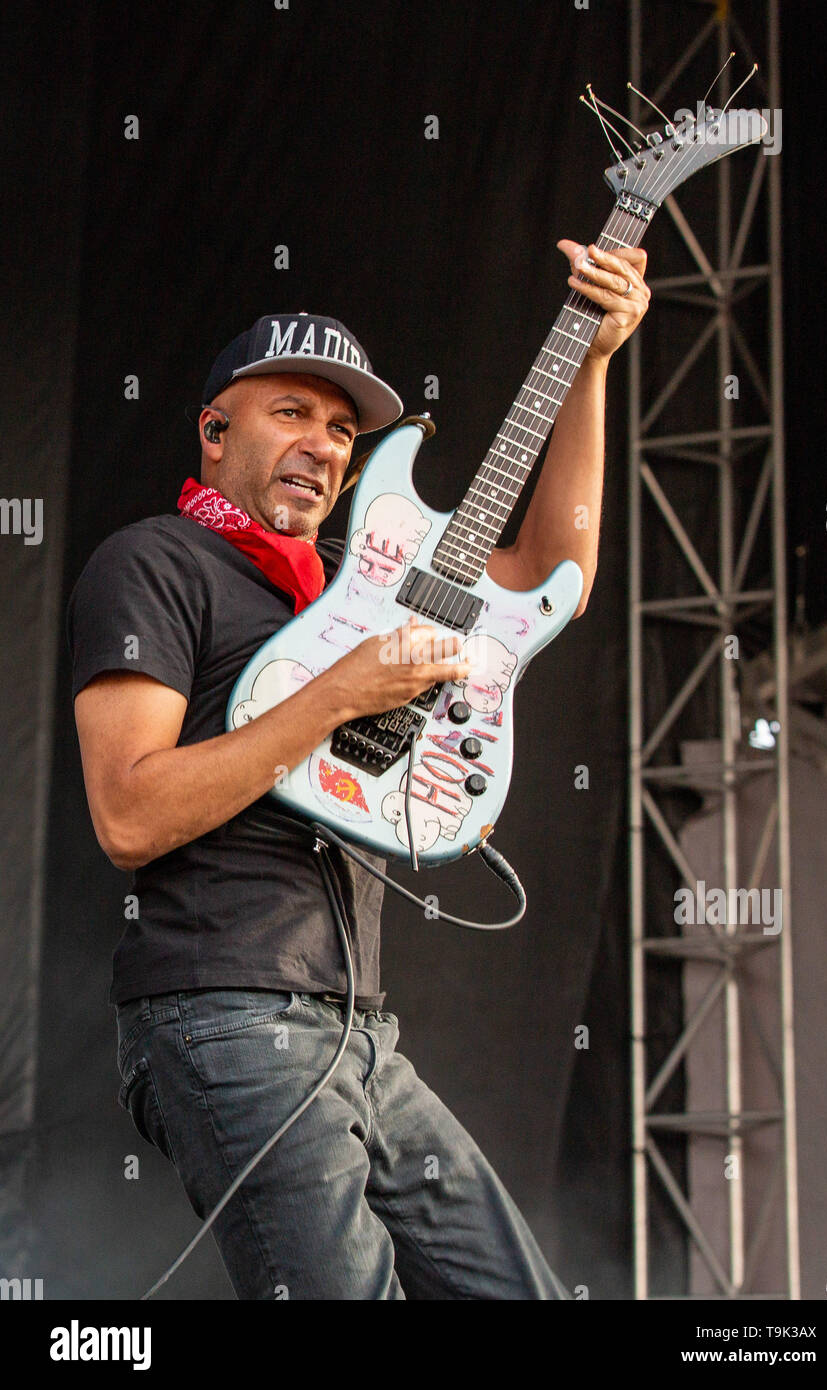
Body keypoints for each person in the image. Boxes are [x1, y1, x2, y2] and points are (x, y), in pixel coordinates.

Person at [68, 240, 649, 1299]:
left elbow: (547, 574)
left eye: (342, 429)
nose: (323, 444)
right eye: (290, 411)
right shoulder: (151, 562)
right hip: (222, 1014)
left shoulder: (358, 583)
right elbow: (128, 813)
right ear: (213, 429)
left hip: (362, 1031)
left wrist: (593, 363)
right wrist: (338, 695)